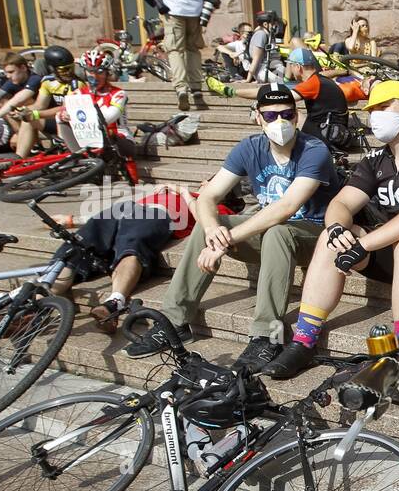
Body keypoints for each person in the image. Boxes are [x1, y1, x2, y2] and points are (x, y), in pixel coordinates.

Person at [260, 80, 399, 379]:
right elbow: (341, 203)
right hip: (397, 251)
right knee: (330, 238)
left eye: (382, 107)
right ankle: (304, 341)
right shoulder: (377, 159)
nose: (373, 115)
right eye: (371, 109)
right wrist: (338, 229)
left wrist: (365, 244)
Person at [127, 84, 342, 367]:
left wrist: (224, 242)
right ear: (257, 117)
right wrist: (213, 230)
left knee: (278, 231)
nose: (280, 122)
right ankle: (175, 321)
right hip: (270, 235)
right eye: (270, 116)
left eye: (287, 114)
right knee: (208, 225)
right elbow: (208, 196)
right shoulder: (249, 148)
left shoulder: (314, 150)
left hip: (314, 237)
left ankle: (266, 336)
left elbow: (286, 208)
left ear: (297, 116)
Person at [49, 180, 245, 332]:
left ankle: (114, 302)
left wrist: (187, 195)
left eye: (211, 182)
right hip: (128, 209)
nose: (203, 183)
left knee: (132, 244)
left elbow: (206, 223)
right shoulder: (172, 193)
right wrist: (73, 220)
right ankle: (42, 295)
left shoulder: (217, 209)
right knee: (78, 244)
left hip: (157, 216)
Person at [209, 47, 348, 146]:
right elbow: (273, 91)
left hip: (330, 137)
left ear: (298, 67)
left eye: (291, 66)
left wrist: (234, 93)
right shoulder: (317, 80)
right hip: (333, 132)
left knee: (287, 111)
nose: (290, 70)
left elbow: (279, 97)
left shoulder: (313, 83)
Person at [13, 46, 87, 158]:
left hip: (71, 122)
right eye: (64, 70)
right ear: (53, 69)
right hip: (55, 120)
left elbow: (64, 109)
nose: (69, 73)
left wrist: (35, 114)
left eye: (71, 68)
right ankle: (18, 160)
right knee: (27, 119)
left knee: (36, 117)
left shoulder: (77, 84)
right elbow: (40, 105)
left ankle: (64, 154)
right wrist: (24, 111)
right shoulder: (48, 82)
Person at [0, 53, 41, 135]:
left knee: (13, 104)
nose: (8, 76)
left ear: (23, 68)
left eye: (11, 72)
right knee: (1, 101)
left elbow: (18, 99)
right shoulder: (13, 81)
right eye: (6, 73)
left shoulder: (35, 79)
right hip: (25, 116)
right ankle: (19, 134)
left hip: (42, 114)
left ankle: (22, 136)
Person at [245, 11, 283, 84]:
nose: (276, 25)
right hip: (265, 71)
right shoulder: (261, 34)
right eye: (274, 23)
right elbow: (256, 59)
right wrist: (248, 79)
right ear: (265, 24)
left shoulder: (269, 35)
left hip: (274, 69)